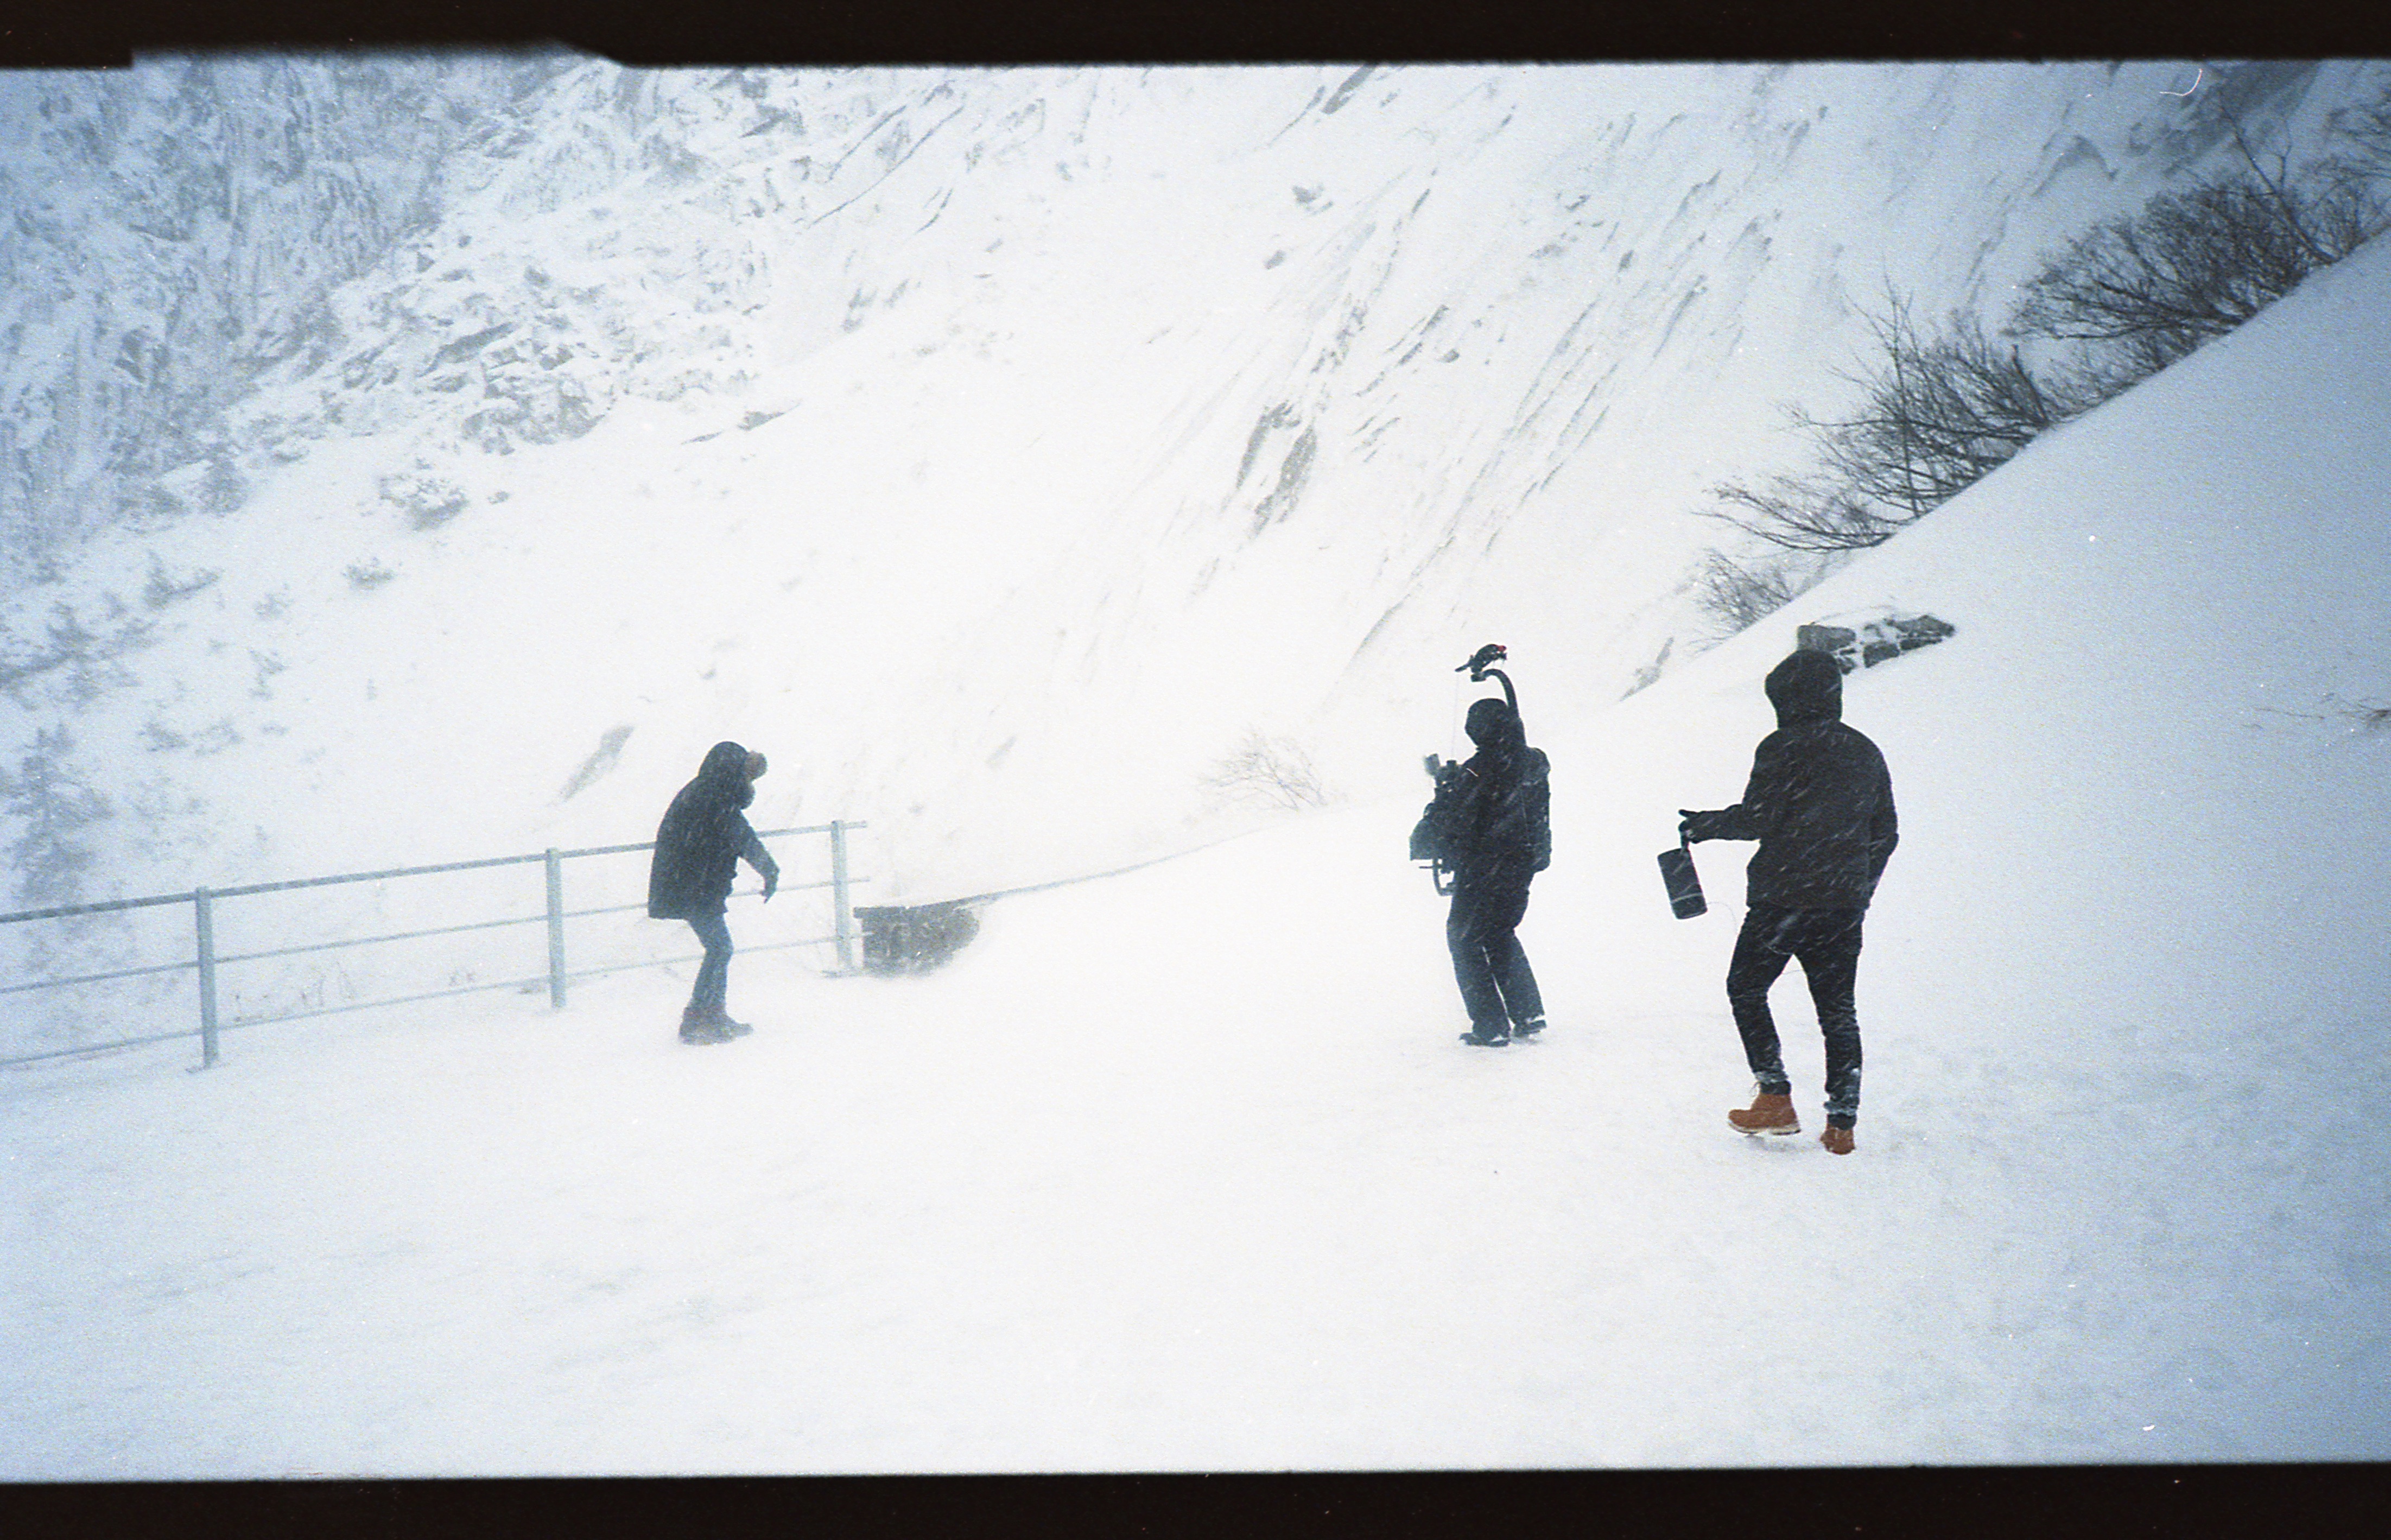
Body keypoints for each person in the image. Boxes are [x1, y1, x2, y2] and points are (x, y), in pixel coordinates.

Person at [1679, 648, 1897, 1154]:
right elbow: (1886, 832)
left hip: (1782, 900)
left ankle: (1774, 1096)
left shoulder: (1782, 745)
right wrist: (1858, 889)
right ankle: (1841, 1125)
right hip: (1841, 906)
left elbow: (1759, 817)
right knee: (1837, 1011)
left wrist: (1705, 825)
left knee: (1745, 988)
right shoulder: (1865, 750)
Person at [648, 740, 779, 1045]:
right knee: (720, 948)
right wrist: (769, 870)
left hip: (691, 884)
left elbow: (736, 834)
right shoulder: (715, 797)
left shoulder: (705, 791)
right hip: (694, 886)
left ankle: (710, 1014)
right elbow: (742, 837)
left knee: (719, 948)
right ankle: (699, 1018)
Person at [1444, 692, 1551, 1047]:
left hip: (1484, 866)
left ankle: (1490, 1025)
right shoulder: (1532, 762)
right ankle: (1528, 1013)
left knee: (1464, 938)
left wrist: (1447, 789)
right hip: (1521, 865)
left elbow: (1459, 817)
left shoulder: (1479, 768)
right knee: (1499, 932)